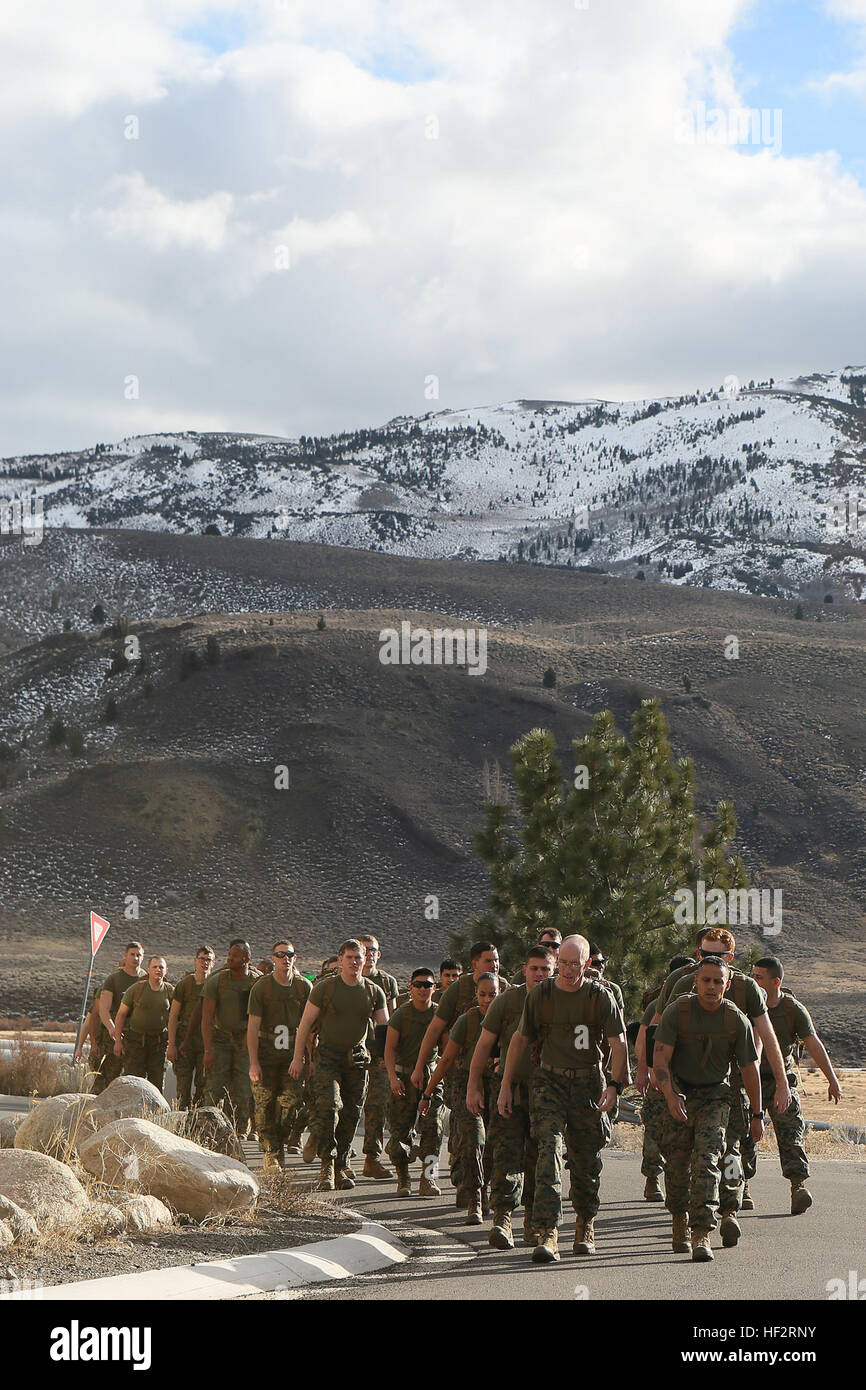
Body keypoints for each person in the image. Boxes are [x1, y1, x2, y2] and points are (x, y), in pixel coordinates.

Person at [500, 934, 627, 1264]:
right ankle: (548, 1231)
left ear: (587, 964)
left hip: (587, 1085)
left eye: (576, 964)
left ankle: (585, 1223)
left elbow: (618, 1043)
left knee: (586, 1161)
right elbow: (519, 1040)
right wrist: (505, 1085)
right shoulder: (541, 995)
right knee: (548, 1150)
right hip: (549, 1082)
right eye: (564, 963)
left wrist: (614, 1085)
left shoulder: (600, 997)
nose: (569, 970)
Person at [659, 928, 791, 1223]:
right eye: (705, 955)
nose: (708, 961)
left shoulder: (746, 990)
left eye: (717, 956)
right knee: (685, 1156)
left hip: (730, 1083)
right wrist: (651, 1075)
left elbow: (768, 1038)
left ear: (730, 959)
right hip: (686, 1081)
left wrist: (781, 1084)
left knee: (731, 1148)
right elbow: (657, 1029)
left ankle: (730, 1205)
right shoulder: (683, 984)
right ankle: (687, 1211)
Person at [653, 957, 763, 1261]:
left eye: (718, 981)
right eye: (706, 980)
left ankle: (701, 1231)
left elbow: (749, 1070)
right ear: (695, 982)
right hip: (680, 1092)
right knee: (676, 1165)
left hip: (716, 1096)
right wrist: (671, 1095)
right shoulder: (678, 1012)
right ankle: (679, 1221)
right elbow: (660, 1062)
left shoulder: (735, 1019)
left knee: (707, 1160)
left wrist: (757, 1114)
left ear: (727, 986)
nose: (712, 986)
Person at [469, 945, 555, 1249]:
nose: (540, 974)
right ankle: (503, 1219)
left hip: (548, 1095)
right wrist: (473, 1086)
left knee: (539, 1159)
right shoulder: (507, 1001)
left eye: (546, 969)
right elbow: (483, 1045)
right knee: (506, 1155)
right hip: (510, 1090)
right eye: (535, 969)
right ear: (524, 970)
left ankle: (532, 1221)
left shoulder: (560, 1000)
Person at [743, 958, 842, 1214]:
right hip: (747, 1081)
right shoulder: (743, 1006)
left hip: (781, 1083)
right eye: (753, 976)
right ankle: (739, 1187)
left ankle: (798, 1187)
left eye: (760, 977)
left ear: (776, 982)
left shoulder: (791, 1009)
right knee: (741, 1135)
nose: (754, 981)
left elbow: (813, 1044)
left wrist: (832, 1080)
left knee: (791, 1133)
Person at [290, 939, 388, 1192]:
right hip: (328, 1057)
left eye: (359, 957)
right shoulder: (325, 989)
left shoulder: (374, 992)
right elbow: (305, 1025)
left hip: (356, 1060)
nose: (355, 962)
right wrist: (298, 1057)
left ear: (366, 959)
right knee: (329, 1106)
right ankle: (327, 1165)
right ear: (340, 959)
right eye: (350, 957)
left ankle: (341, 1164)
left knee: (352, 1113)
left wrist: (382, 1059)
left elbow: (385, 1030)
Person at [411, 942, 504, 1202]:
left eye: (496, 960)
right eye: (488, 960)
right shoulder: (458, 992)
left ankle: (475, 1181)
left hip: (495, 1077)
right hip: (460, 1071)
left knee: (488, 1137)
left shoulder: (504, 989)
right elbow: (435, 1032)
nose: (494, 965)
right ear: (475, 964)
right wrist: (421, 1067)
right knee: (467, 1132)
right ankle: (464, 1176)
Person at [634, 952, 695, 1201]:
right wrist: (644, 1070)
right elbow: (642, 1040)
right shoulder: (657, 1008)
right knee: (655, 1128)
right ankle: (652, 1178)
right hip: (660, 1075)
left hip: (688, 1078)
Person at [248, 940, 312, 1171]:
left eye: (290, 955)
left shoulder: (304, 987)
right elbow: (253, 1028)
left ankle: (280, 1142)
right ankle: (271, 1154)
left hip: (292, 1054)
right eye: (280, 954)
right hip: (266, 1052)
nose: (285, 958)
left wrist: (304, 1059)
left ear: (295, 958)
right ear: (273, 958)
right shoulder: (262, 987)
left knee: (292, 1102)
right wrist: (254, 1063)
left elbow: (311, 1027)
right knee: (263, 1105)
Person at [384, 968, 444, 1197]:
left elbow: (446, 1048)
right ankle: (403, 1178)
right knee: (400, 1131)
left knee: (433, 1129)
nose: (422, 989)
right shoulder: (402, 1014)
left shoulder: (439, 1015)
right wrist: (392, 1077)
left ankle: (428, 1178)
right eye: (418, 985)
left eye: (427, 985)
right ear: (410, 987)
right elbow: (389, 1048)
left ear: (434, 988)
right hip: (404, 1076)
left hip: (430, 1077)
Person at [201, 939, 262, 1136]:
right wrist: (208, 1050)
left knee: (244, 1089)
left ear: (246, 959)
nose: (229, 959)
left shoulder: (257, 982)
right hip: (221, 1040)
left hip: (246, 1041)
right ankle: (207, 1129)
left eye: (235, 956)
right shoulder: (218, 981)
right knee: (214, 1088)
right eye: (229, 955)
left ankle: (239, 1130)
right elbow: (206, 1018)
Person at [359, 934, 399, 1179]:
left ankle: (371, 1158)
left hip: (378, 1053)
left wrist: (390, 1054)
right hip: (351, 1051)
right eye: (365, 950)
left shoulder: (387, 981)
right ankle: (333, 1157)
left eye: (373, 950)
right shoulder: (345, 980)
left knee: (376, 1106)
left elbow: (393, 1021)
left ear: (378, 954)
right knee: (346, 1105)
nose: (369, 954)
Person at [91, 943, 146, 1094]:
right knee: (106, 1079)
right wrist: (112, 1030)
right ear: (125, 956)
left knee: (133, 1081)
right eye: (132, 954)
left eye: (138, 955)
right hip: (113, 1037)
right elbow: (103, 1010)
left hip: (136, 1038)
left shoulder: (145, 979)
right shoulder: (113, 979)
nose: (135, 958)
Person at [113, 956, 174, 1090]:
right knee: (133, 1082)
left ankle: (154, 1111)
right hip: (136, 1041)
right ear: (148, 970)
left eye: (161, 967)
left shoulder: (170, 991)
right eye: (155, 967)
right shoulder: (136, 989)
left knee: (157, 1083)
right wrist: (118, 1041)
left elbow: (175, 1018)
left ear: (166, 971)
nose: (158, 970)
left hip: (159, 1043)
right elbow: (121, 1014)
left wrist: (173, 1044)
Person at [167, 945, 215, 1110]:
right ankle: (181, 1121)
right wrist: (171, 1044)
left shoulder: (215, 984)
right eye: (202, 959)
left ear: (213, 963)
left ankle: (199, 1124)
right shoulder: (184, 985)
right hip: (184, 1039)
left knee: (204, 1084)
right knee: (183, 1084)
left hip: (206, 1040)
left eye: (209, 960)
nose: (205, 963)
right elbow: (173, 1016)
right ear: (195, 961)